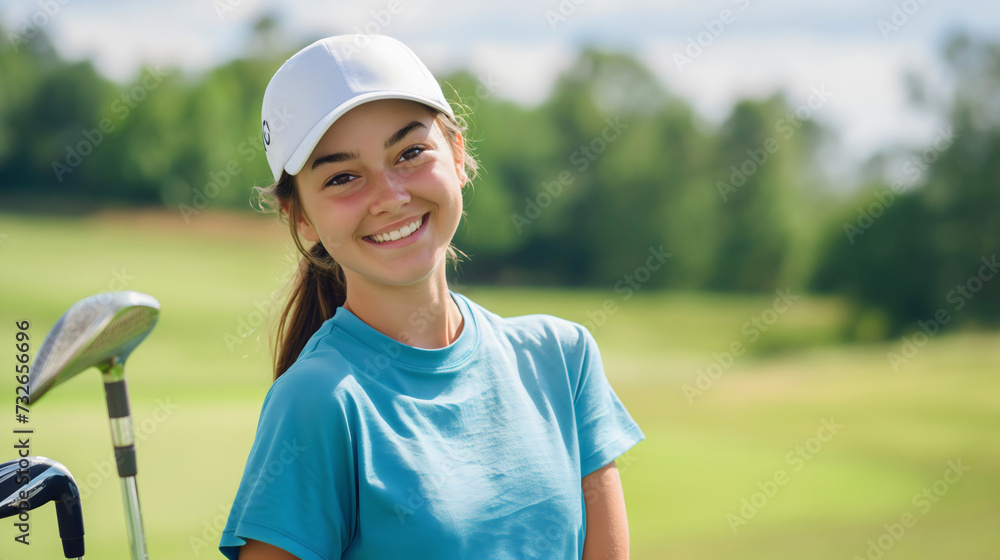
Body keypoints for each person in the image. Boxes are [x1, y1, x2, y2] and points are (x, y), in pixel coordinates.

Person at [219, 34, 645, 560]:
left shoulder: (563, 359)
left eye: (410, 152)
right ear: (302, 217)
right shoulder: (317, 403)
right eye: (344, 177)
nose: (391, 197)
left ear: (458, 153)